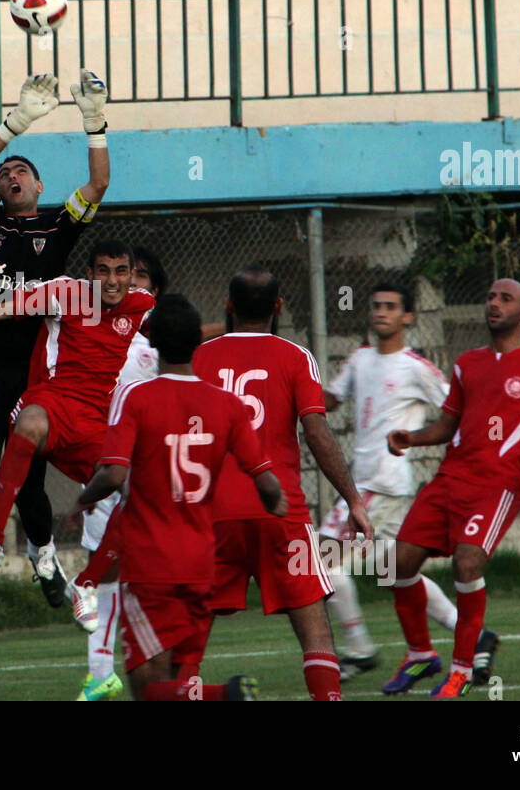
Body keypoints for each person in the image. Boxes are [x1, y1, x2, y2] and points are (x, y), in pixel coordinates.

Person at [72, 294, 286, 701]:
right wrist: (275, 500)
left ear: (151, 342)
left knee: (146, 686)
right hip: (203, 561)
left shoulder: (135, 397)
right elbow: (266, 480)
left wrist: (82, 501)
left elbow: (113, 472)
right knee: (181, 679)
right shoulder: (228, 405)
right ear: (196, 342)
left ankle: (227, 694)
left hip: (150, 563)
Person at [382, 278, 520, 698]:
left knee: (467, 564)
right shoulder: (467, 363)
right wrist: (412, 438)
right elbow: (447, 425)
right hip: (449, 479)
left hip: (497, 486)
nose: (494, 303)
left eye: (505, 299)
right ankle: (420, 655)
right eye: (490, 296)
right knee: (396, 563)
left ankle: (459, 672)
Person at [0, 241, 154, 577]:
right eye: (103, 271)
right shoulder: (65, 292)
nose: (112, 281)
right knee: (30, 424)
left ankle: (89, 584)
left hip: (94, 419)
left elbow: (180, 333)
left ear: (131, 276)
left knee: (131, 483)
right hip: (53, 400)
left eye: (121, 272)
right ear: (89, 274)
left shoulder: (141, 305)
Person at [0, 69, 110, 606]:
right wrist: (17, 122)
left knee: (27, 483)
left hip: (34, 372)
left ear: (40, 187)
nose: (11, 174)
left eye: (22, 170)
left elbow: (97, 185)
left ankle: (45, 558)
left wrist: (94, 124)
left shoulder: (58, 226)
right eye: (7, 173)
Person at [191, 264, 372, 701]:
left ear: (229, 306)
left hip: (213, 514)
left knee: (190, 636)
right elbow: (317, 432)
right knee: (314, 630)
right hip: (280, 512)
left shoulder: (199, 357)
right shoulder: (295, 357)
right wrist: (353, 499)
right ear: (278, 306)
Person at [319, 283, 498, 681]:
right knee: (395, 571)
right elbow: (328, 399)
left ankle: (360, 649)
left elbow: (455, 406)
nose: (381, 312)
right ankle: (476, 635)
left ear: (408, 317)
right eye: (377, 305)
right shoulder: (360, 359)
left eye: (391, 307)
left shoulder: (416, 367)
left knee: (318, 561)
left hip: (380, 483)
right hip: (369, 484)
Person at [74, 246, 166, 702]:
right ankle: (100, 672)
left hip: (139, 471)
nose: (131, 284)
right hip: (102, 463)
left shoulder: (153, 350)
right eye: (127, 275)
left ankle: (145, 669)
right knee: (103, 572)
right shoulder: (95, 329)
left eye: (140, 276)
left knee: (136, 572)